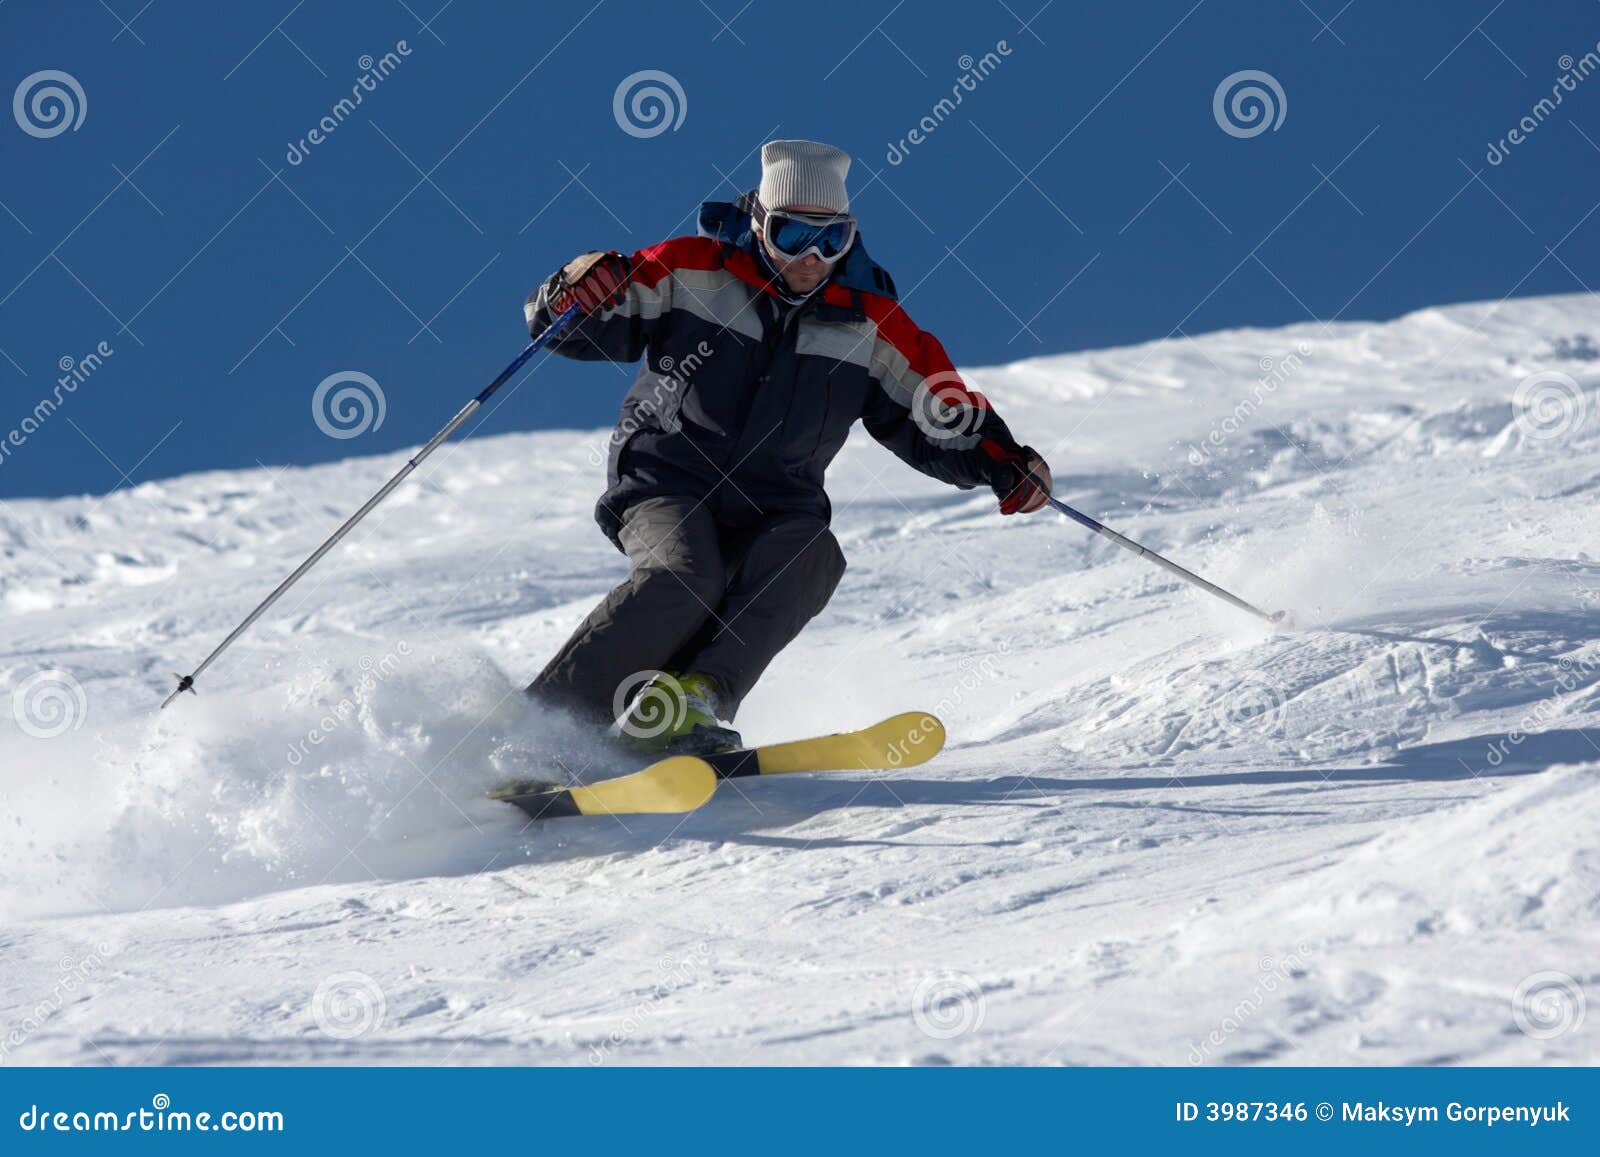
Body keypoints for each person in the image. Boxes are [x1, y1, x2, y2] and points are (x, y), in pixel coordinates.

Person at [522, 139, 1051, 754]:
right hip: (671, 478)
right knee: (683, 576)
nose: (812, 256)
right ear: (759, 224)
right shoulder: (695, 269)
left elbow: (935, 408)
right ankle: (541, 730)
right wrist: (577, 288)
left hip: (779, 502)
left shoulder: (869, 322)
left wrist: (1003, 458)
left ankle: (684, 705)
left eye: (832, 239)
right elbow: (584, 318)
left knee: (812, 557)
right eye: (794, 233)